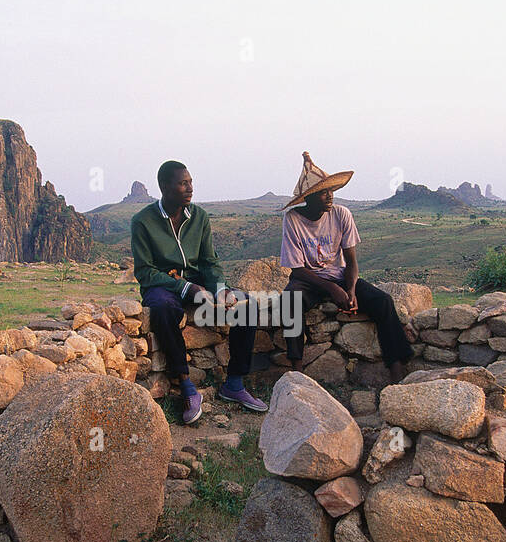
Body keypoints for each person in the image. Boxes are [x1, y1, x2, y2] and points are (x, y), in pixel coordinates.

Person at [131, 160, 267, 424]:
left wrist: (219, 290)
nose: (189, 187)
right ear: (164, 186)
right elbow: (145, 271)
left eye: (190, 181)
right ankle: (187, 387)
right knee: (163, 309)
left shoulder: (200, 217)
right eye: (182, 183)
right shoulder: (143, 222)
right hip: (163, 287)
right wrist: (186, 287)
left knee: (246, 304)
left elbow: (209, 261)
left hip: (199, 285)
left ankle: (235, 384)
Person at [279, 152, 412, 383]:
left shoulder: (342, 214)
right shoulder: (293, 219)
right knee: (290, 301)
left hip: (339, 276)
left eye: (331, 190)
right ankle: (297, 370)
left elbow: (351, 261)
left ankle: (396, 369)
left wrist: (350, 291)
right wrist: (332, 289)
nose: (329, 196)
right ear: (308, 197)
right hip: (308, 279)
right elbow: (297, 269)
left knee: (383, 302)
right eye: (323, 192)